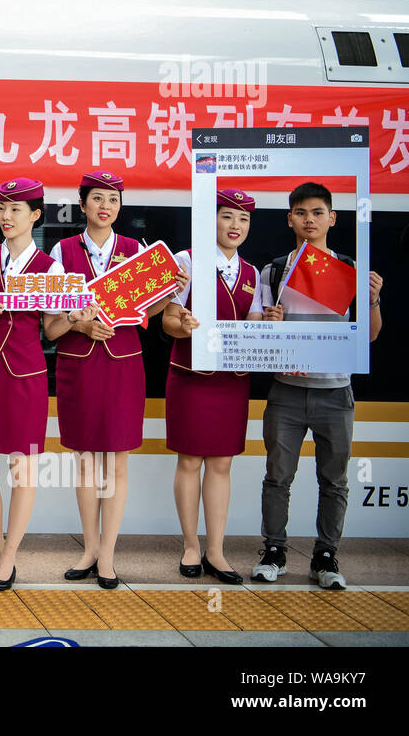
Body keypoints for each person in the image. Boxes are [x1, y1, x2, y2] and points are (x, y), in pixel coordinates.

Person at [48, 171, 186, 589]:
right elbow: (52, 326)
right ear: (83, 204)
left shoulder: (135, 251)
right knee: (86, 462)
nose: (105, 206)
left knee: (117, 463)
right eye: (97, 199)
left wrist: (171, 291)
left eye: (112, 199)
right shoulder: (62, 250)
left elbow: (151, 314)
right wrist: (80, 325)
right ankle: (89, 549)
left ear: (119, 208)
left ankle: (108, 554)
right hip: (79, 366)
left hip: (124, 365)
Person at [0, 177, 95, 591]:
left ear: (35, 216)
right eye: (2, 208)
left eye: (16, 209)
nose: (7, 216)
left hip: (26, 376)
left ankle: (10, 557)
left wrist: (75, 317)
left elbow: (52, 331)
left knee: (22, 473)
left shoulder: (50, 267)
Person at [253, 182, 383, 589]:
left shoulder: (349, 271)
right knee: (278, 476)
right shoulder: (273, 270)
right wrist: (269, 324)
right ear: (290, 218)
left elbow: (371, 336)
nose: (309, 219)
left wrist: (373, 301)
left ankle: (326, 557)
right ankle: (274, 551)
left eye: (317, 212)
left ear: (332, 218)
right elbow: (256, 332)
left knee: (334, 480)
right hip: (286, 389)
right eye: (301, 213)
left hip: (335, 391)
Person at [162, 189, 264, 585]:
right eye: (227, 216)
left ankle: (216, 550)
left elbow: (253, 327)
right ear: (211, 220)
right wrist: (181, 325)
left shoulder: (253, 273)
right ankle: (190, 545)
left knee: (222, 464)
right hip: (190, 375)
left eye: (243, 219)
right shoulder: (186, 261)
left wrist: (268, 324)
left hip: (232, 380)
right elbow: (168, 320)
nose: (235, 226)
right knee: (189, 461)